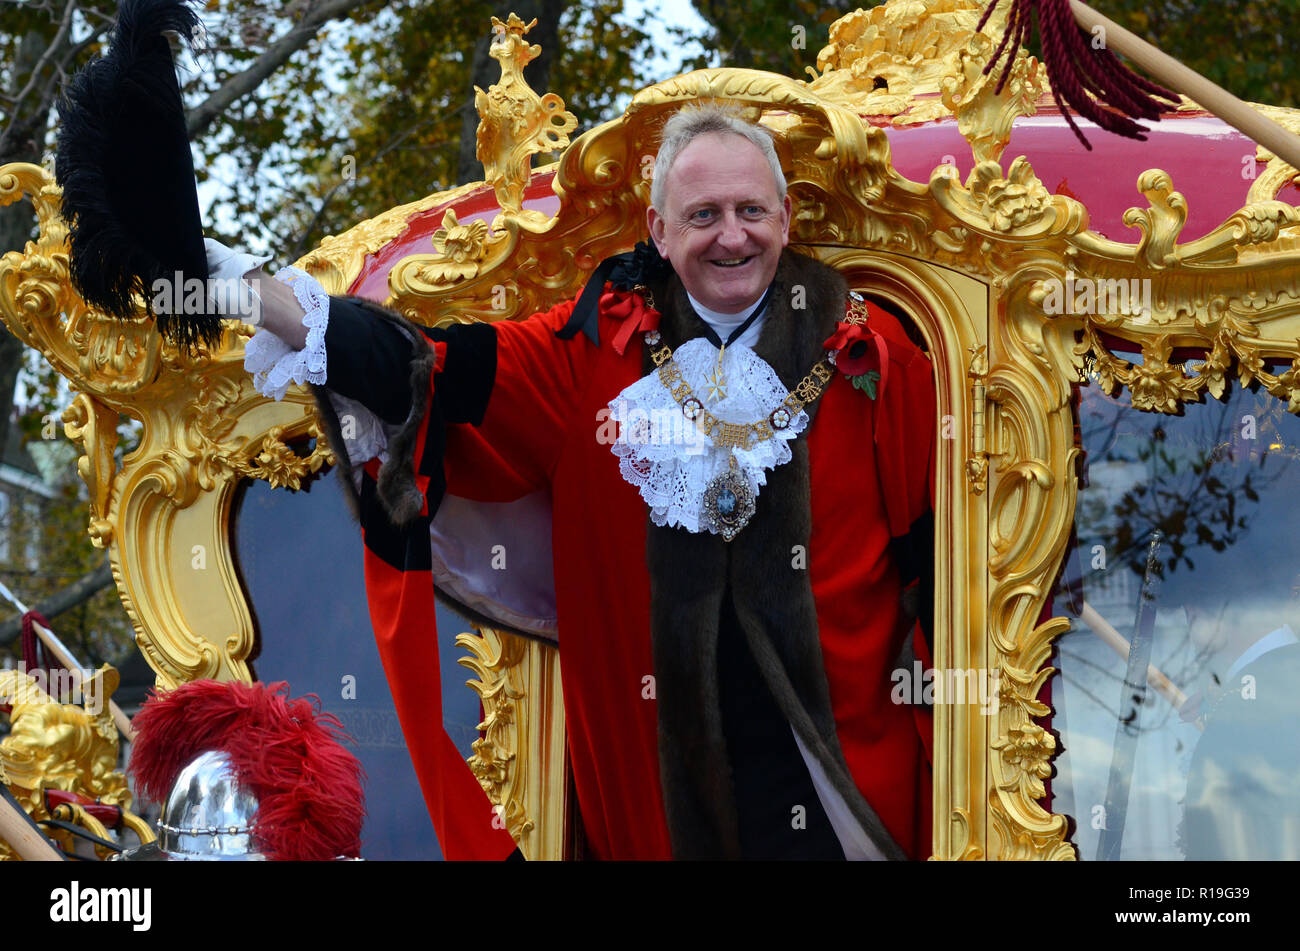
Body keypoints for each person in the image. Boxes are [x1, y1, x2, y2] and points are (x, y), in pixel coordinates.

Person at [211, 103, 938, 861]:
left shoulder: (872, 354)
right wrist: (241, 288)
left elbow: (942, 572)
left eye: (751, 209)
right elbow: (427, 367)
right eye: (703, 215)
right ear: (658, 232)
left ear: (785, 217)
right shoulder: (589, 349)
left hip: (841, 791)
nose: (733, 235)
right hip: (654, 803)